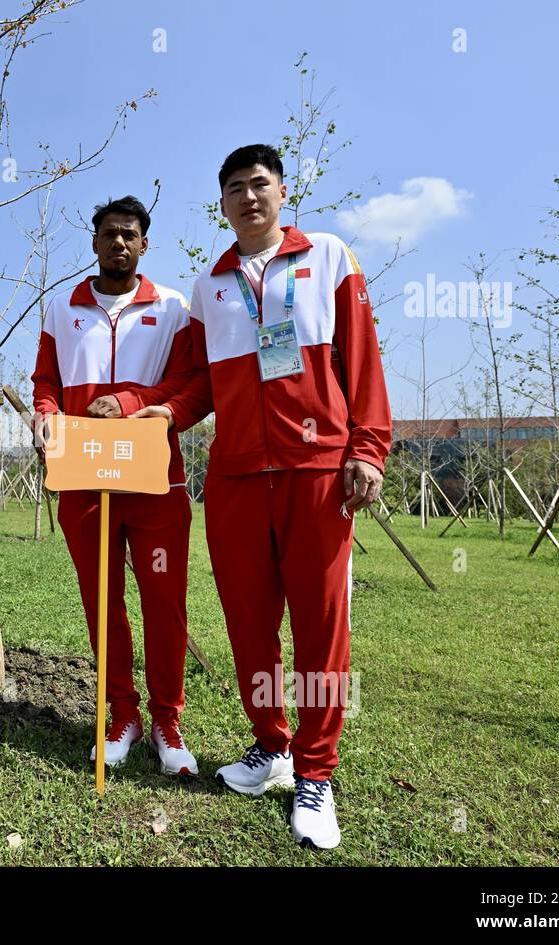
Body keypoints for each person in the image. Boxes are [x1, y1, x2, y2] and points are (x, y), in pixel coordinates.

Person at [165, 144, 392, 848]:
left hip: (316, 470)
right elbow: (200, 382)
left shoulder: (327, 256)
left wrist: (367, 447)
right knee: (248, 622)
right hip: (234, 479)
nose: (247, 197)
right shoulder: (209, 285)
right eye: (233, 188)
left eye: (258, 184)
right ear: (222, 204)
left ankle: (316, 776)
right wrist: (165, 415)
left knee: (321, 629)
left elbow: (363, 356)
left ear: (282, 191)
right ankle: (273, 747)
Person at [31, 195, 201, 776]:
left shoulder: (174, 308)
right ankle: (122, 713)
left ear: (144, 244)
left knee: (164, 604)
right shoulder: (62, 309)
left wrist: (130, 403)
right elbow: (45, 383)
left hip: (156, 479)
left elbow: (191, 385)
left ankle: (167, 721)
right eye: (109, 233)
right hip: (83, 481)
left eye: (129, 234)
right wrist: (45, 416)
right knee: (103, 604)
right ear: (95, 241)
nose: (119, 243)